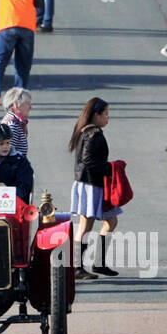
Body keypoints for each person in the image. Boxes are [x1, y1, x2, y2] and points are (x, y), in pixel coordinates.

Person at [68, 97, 120, 278]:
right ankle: (76, 266)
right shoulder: (92, 134)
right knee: (85, 226)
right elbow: (88, 160)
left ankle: (99, 263)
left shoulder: (88, 131)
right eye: (105, 114)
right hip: (90, 185)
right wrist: (109, 167)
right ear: (95, 115)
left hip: (94, 184)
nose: (107, 118)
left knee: (111, 221)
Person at [0, 122, 34, 201]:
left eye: (8, 143)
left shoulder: (20, 160)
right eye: (1, 144)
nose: (5, 147)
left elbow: (25, 185)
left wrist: (7, 195)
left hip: (14, 201)